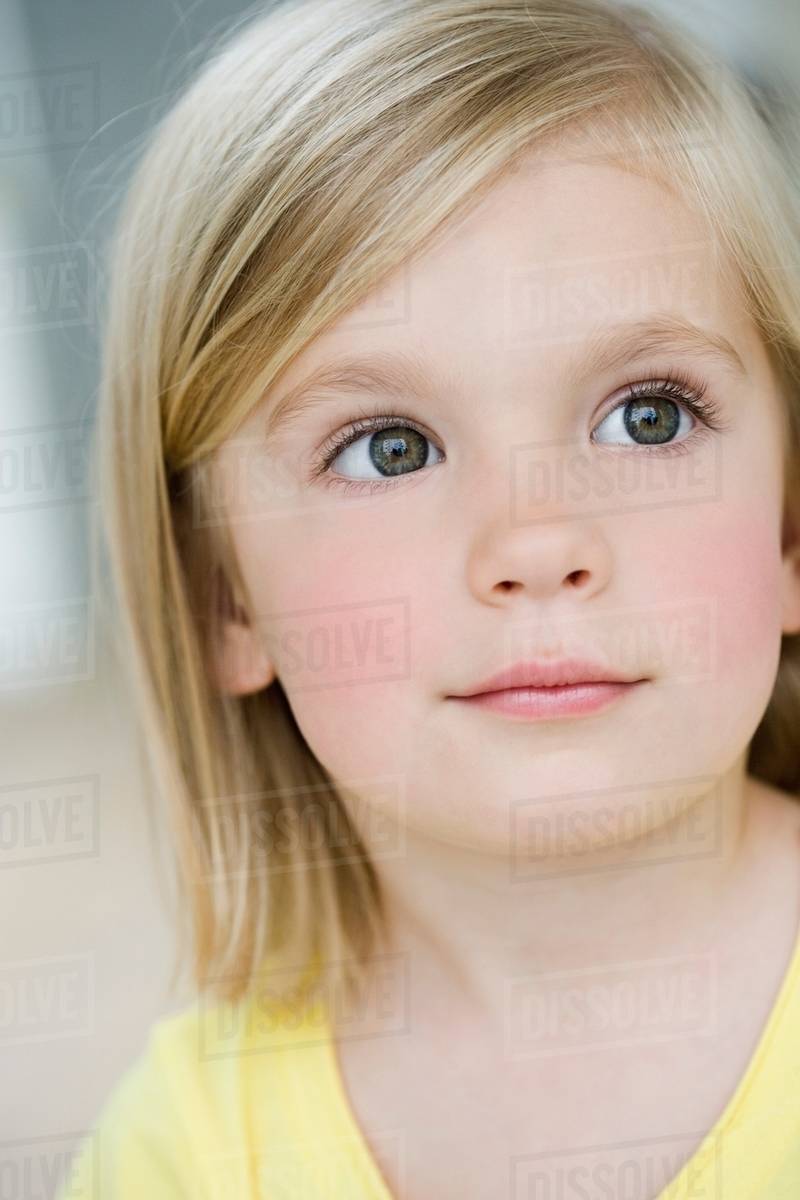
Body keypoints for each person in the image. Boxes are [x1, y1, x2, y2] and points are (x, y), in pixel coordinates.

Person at [59, 0, 800, 1195]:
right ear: (222, 595)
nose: (535, 541)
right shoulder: (184, 1152)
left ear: (788, 530)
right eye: (387, 448)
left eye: (645, 416)